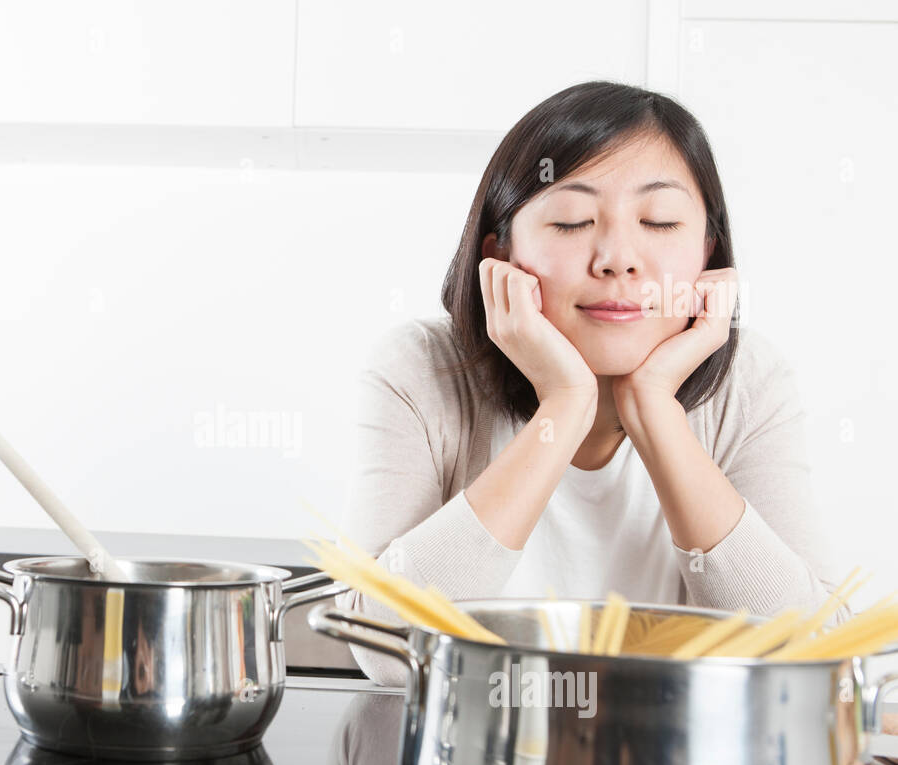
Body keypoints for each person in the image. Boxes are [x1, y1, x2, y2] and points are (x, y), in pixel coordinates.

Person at [336, 80, 851, 686]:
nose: (617, 258)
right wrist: (565, 405)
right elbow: (382, 649)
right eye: (574, 220)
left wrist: (657, 415)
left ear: (707, 255)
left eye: (659, 222)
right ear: (499, 254)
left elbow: (824, 657)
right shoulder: (420, 370)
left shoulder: (752, 385)